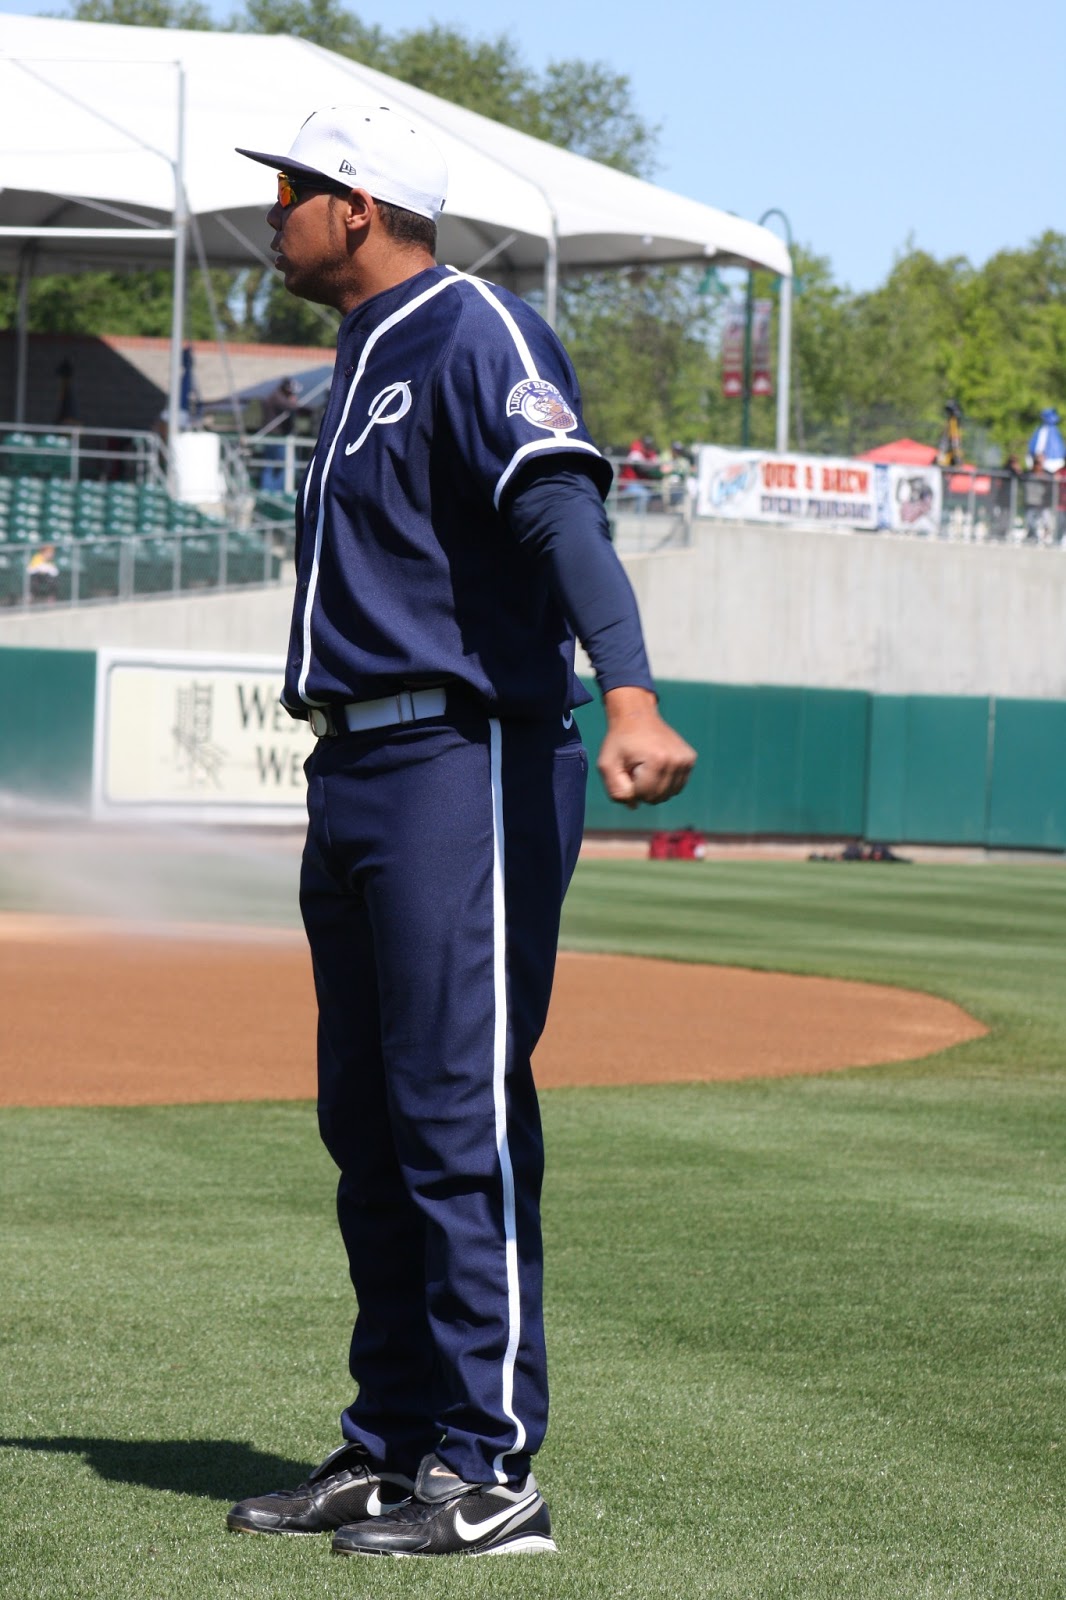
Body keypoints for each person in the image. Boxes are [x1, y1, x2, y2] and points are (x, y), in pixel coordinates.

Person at [227, 105, 695, 1561]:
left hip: (463, 754)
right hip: (356, 768)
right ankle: (394, 1448)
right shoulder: (356, 360)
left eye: (290, 191)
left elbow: (558, 514)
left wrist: (627, 693)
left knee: (454, 1113)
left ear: (357, 205)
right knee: (366, 1122)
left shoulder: (474, 324)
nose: (275, 215)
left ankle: (490, 1474)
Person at [259, 376, 304, 491]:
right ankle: (276, 491)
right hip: (276, 438)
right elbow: (292, 407)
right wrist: (294, 402)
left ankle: (269, 490)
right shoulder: (277, 398)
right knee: (287, 465)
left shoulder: (276, 396)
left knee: (272, 464)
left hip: (275, 436)